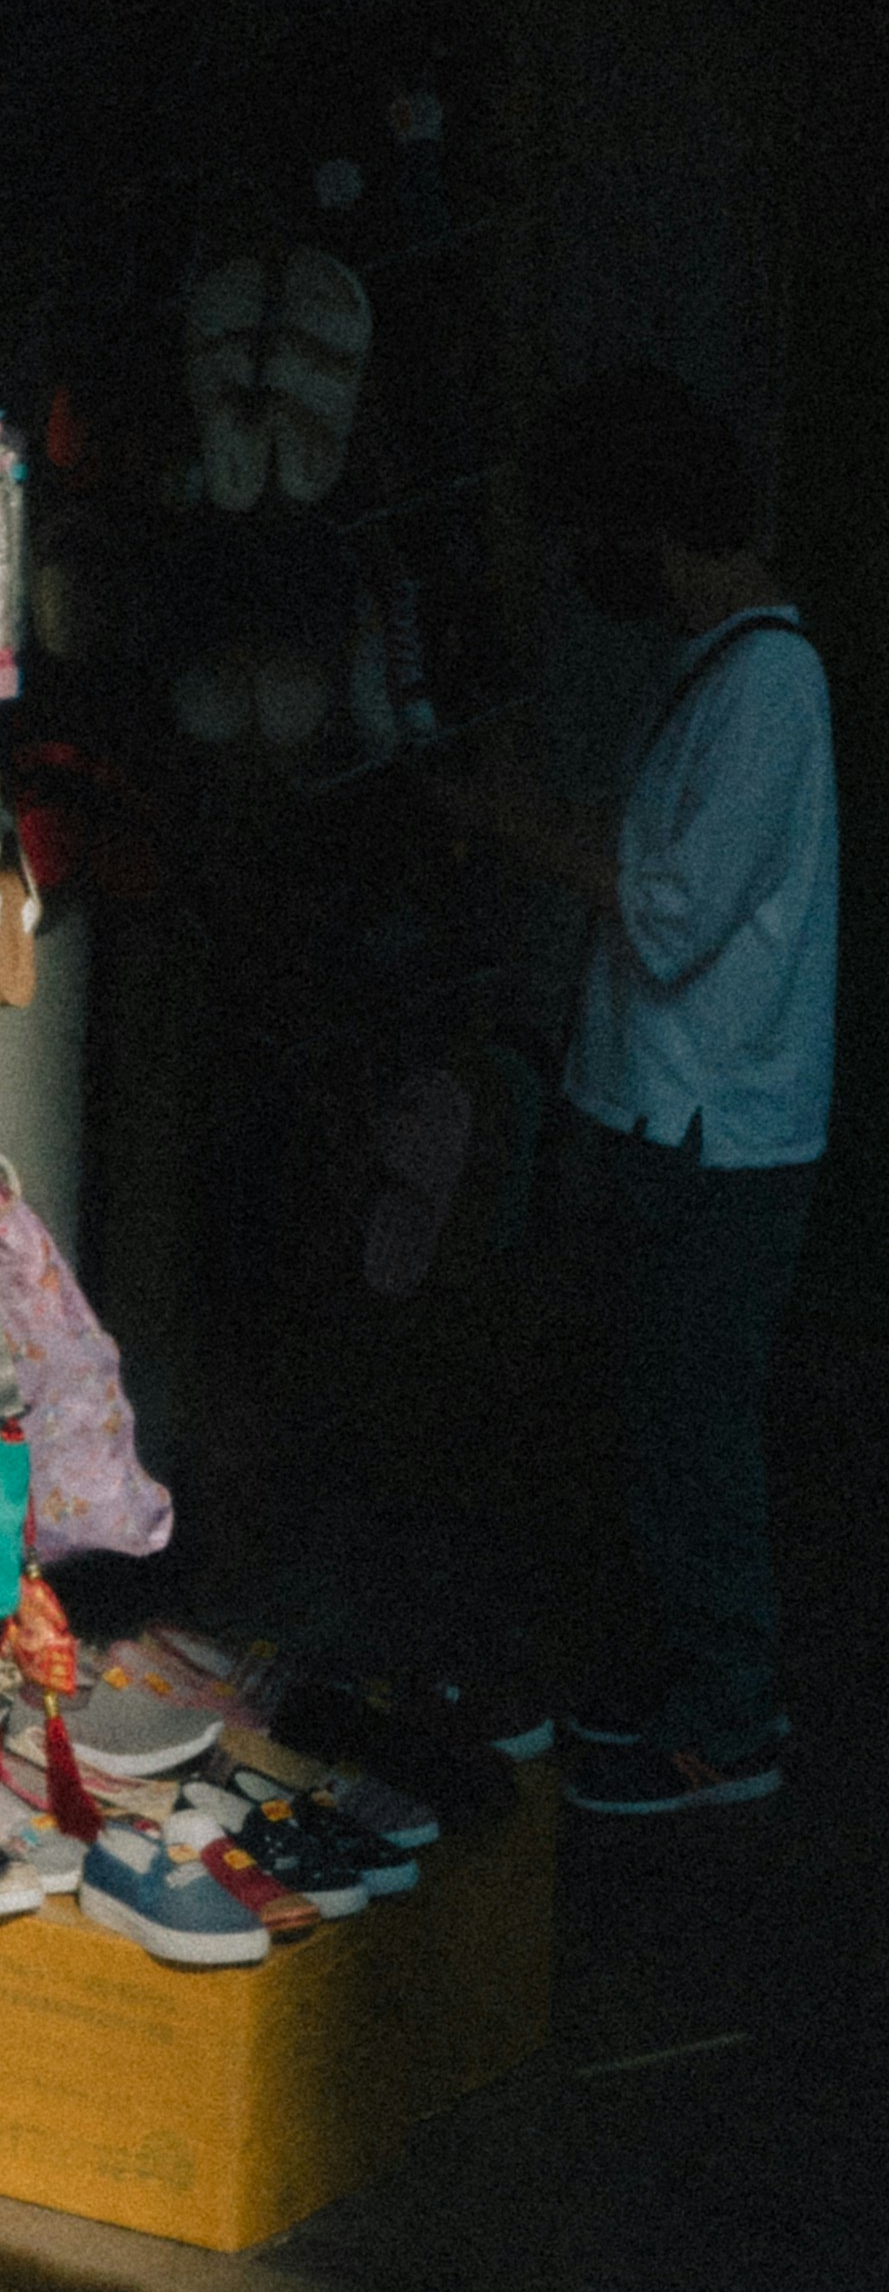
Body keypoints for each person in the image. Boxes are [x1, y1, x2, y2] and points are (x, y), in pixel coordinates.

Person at [443, 366, 836, 1816]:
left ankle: (729, 1726)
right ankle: (679, 1697)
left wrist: (506, 817)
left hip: (711, 1133)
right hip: (660, 1113)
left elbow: (668, 911)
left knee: (693, 1434)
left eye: (598, 537)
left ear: (652, 528)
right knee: (654, 1428)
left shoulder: (767, 682)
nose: (587, 573)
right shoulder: (719, 662)